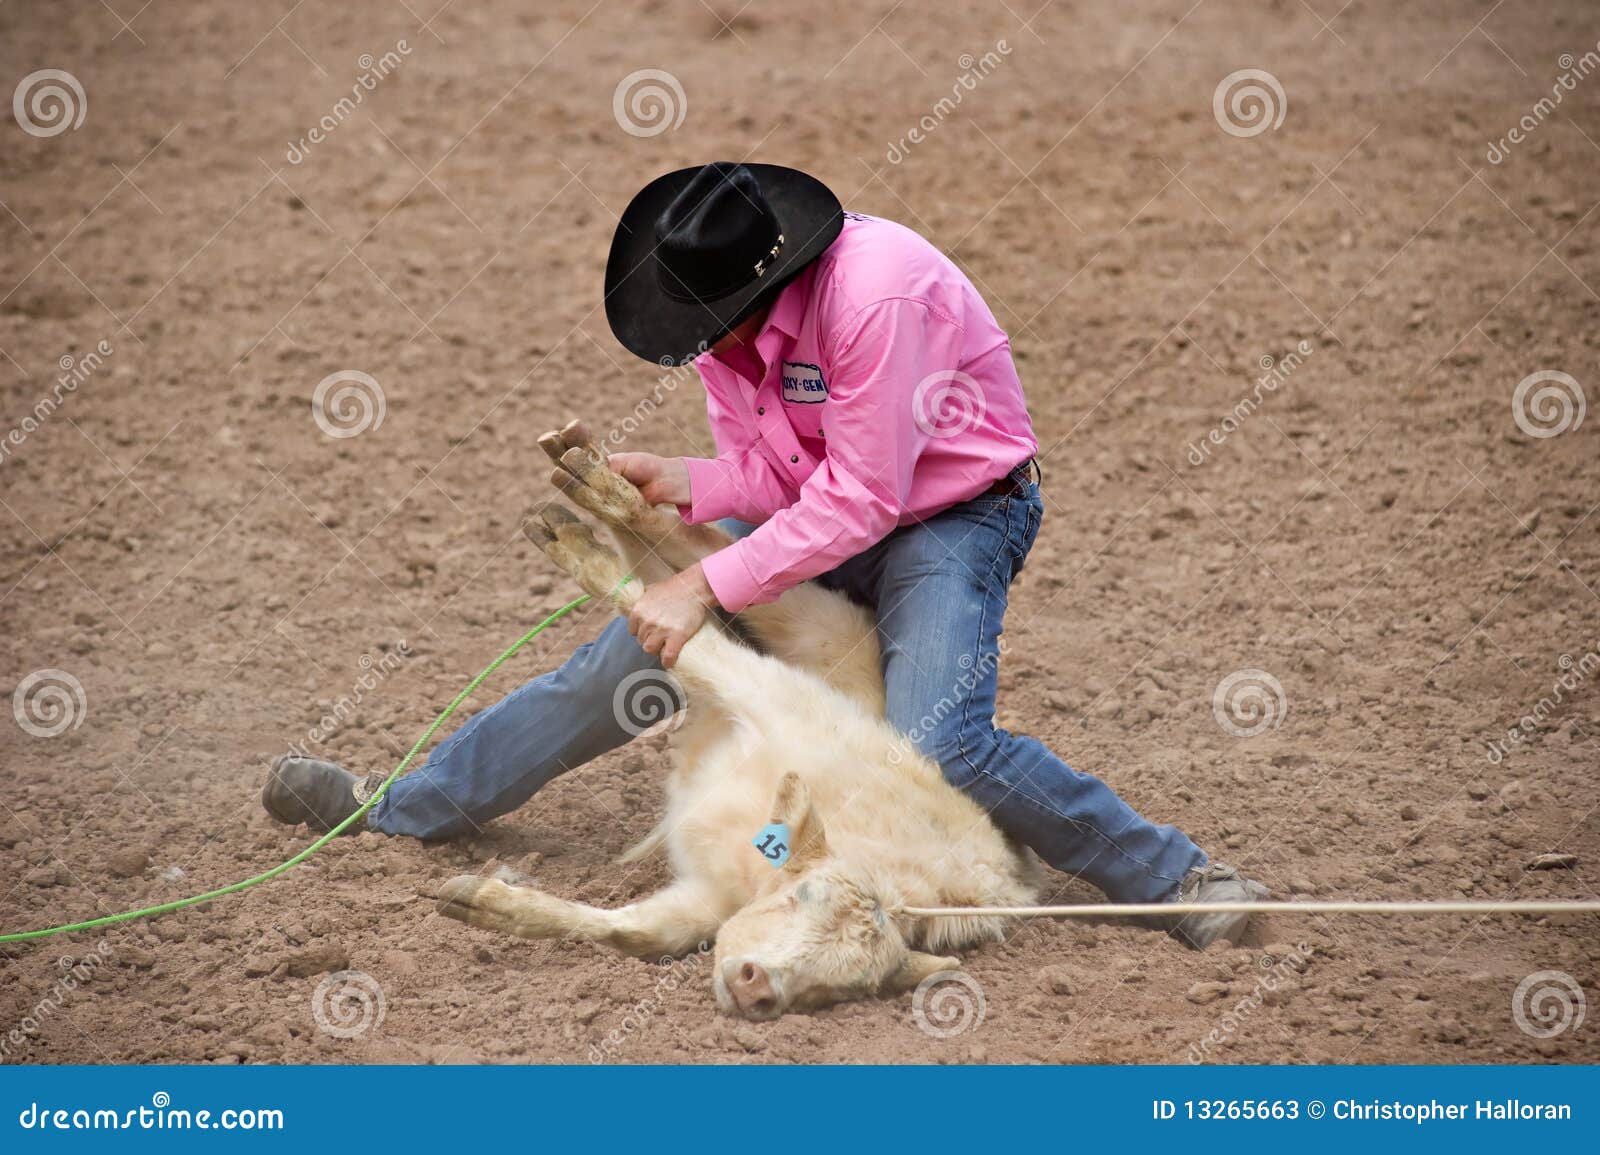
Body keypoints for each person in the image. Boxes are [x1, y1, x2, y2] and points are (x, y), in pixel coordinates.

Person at [262, 161, 1267, 947]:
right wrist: (690, 483)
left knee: (938, 743)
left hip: (958, 517)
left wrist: (700, 580)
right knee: (622, 669)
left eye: (698, 325)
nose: (692, 345)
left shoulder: (879, 298)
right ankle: (403, 811)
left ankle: (1175, 875)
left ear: (764, 281)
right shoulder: (728, 332)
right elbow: (777, 473)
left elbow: (865, 496)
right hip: (844, 511)